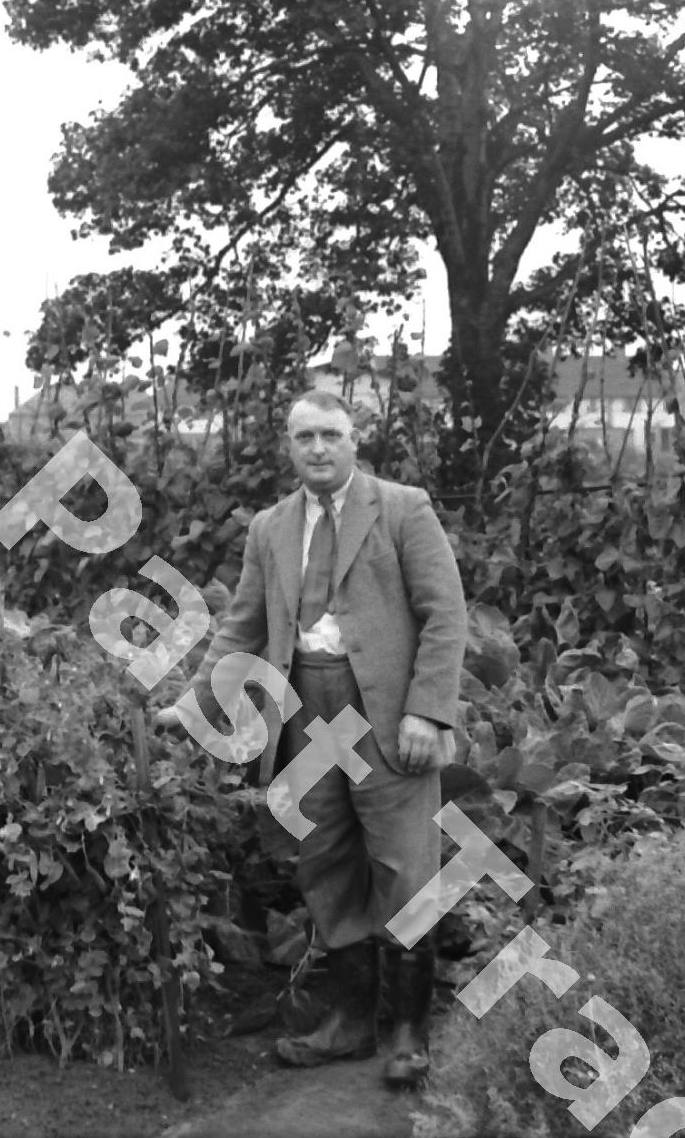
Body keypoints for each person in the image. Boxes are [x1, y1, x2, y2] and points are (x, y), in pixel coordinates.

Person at [156, 389, 468, 1089]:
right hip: (306, 713)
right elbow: (242, 625)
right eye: (305, 437)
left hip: (386, 714)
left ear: (355, 440)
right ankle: (350, 1022)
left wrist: (428, 713)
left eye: (331, 434)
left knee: (405, 867)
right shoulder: (270, 527)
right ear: (290, 447)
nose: (318, 448)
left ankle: (408, 1035)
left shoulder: (403, 508)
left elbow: (445, 613)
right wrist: (195, 702)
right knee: (325, 864)